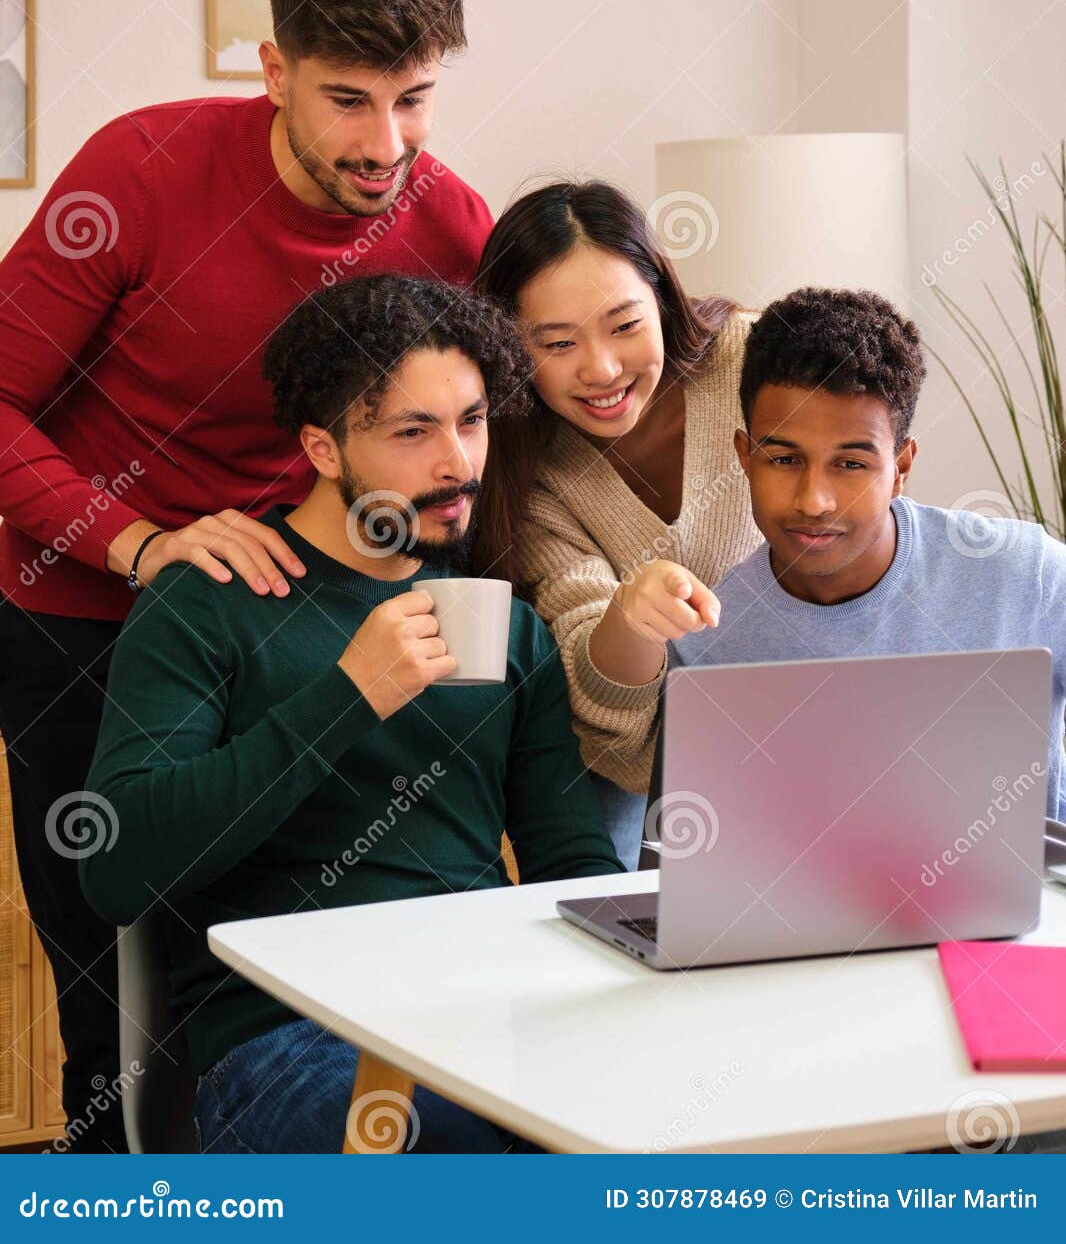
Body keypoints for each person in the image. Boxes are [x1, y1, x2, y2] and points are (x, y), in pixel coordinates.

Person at [0, 0, 492, 1151]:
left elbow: (520, 390)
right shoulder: (143, 166)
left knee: (255, 953)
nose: (386, 146)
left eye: (415, 100)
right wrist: (137, 542)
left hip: (267, 615)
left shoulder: (446, 219)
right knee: (110, 986)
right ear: (270, 72)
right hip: (78, 605)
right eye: (347, 101)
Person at [80, 274, 623, 1154]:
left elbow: (572, 865)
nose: (459, 463)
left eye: (473, 420)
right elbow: (117, 868)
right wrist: (349, 696)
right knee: (462, 1152)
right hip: (290, 1043)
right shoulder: (210, 599)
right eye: (414, 432)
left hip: (488, 1017)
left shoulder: (507, 629)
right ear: (323, 450)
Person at [671, 286, 1065, 829]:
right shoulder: (707, 640)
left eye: (851, 464)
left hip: (1028, 913)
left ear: (901, 466)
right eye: (784, 458)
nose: (814, 501)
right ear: (745, 456)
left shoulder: (1027, 575)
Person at [474, 181, 762, 866]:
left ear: (662, 300)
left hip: (817, 714)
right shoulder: (527, 472)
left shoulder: (755, 361)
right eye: (556, 342)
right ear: (511, 346)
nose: (601, 369)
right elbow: (608, 728)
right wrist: (630, 622)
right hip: (657, 771)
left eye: (625, 325)